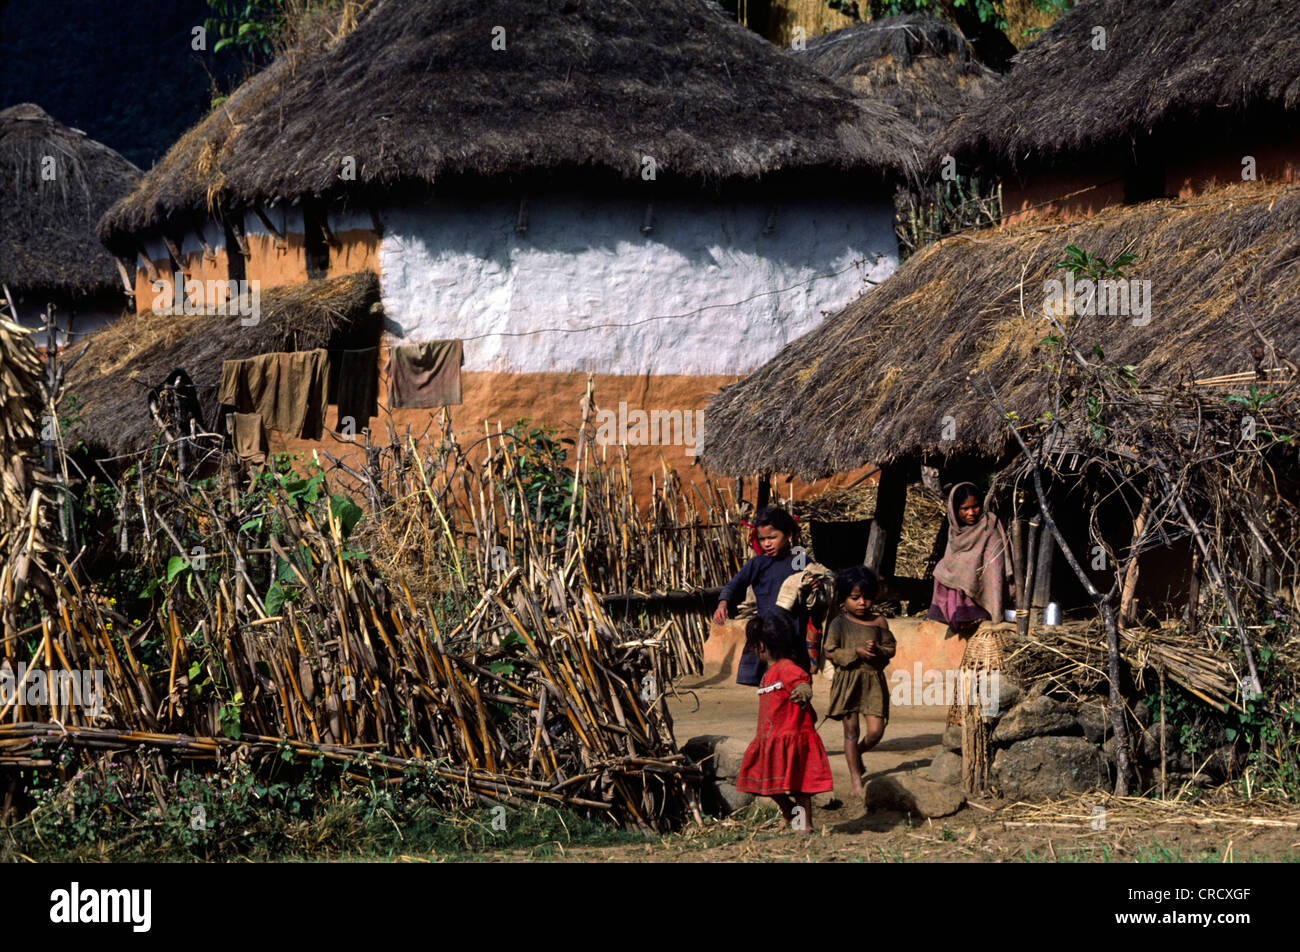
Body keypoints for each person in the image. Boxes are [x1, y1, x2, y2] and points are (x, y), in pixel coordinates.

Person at [734, 615, 833, 832]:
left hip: (791, 736)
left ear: (760, 646)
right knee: (766, 782)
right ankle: (789, 812)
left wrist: (801, 693)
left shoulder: (787, 668)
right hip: (771, 738)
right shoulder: (768, 674)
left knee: (799, 787)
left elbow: (803, 682)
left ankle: (804, 825)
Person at [823, 565, 895, 798]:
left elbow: (890, 648)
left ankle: (858, 753)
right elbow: (830, 651)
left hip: (873, 682)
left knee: (876, 731)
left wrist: (877, 651)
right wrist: (855, 652)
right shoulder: (839, 623)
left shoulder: (879, 622)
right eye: (855, 598)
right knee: (851, 731)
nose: (862, 603)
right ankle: (856, 779)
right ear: (844, 599)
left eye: (867, 598)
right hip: (848, 682)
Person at [712, 505, 806, 684]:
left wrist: (815, 583)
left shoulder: (798, 560)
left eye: (772, 537)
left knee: (793, 683)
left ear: (788, 535)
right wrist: (723, 604)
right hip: (768, 636)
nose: (767, 543)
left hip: (793, 636)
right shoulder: (759, 563)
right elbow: (734, 585)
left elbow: (812, 581)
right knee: (770, 685)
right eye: (762, 539)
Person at [927, 482, 1011, 634]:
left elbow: (995, 567)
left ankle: (977, 613)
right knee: (942, 569)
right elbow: (953, 560)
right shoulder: (954, 531)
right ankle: (957, 613)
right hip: (964, 586)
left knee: (964, 569)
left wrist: (967, 568)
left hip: (981, 591)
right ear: (954, 510)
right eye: (965, 509)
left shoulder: (988, 527)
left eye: (975, 506)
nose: (971, 513)